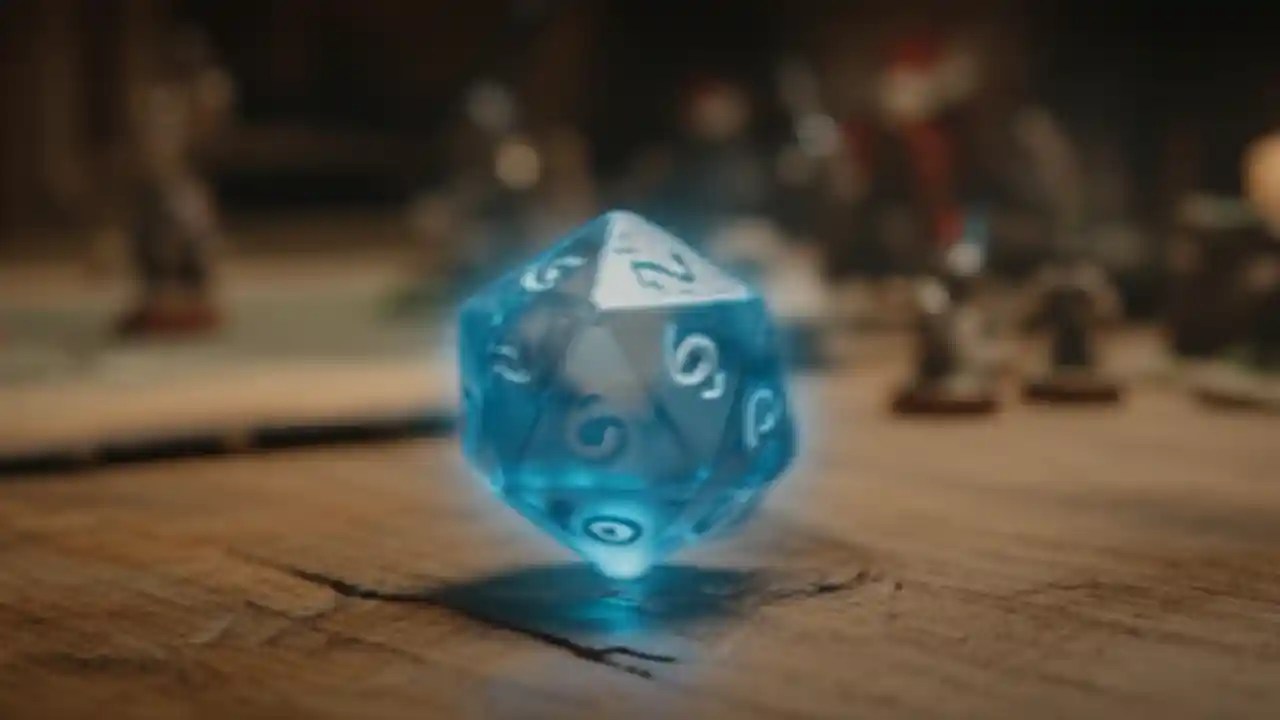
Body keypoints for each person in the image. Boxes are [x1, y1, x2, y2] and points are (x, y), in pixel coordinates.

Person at [117, 28, 234, 337]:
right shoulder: (160, 102)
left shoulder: (203, 93)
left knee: (189, 234)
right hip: (164, 185)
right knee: (165, 236)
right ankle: (165, 296)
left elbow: (208, 138)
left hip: (180, 184)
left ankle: (182, 295)